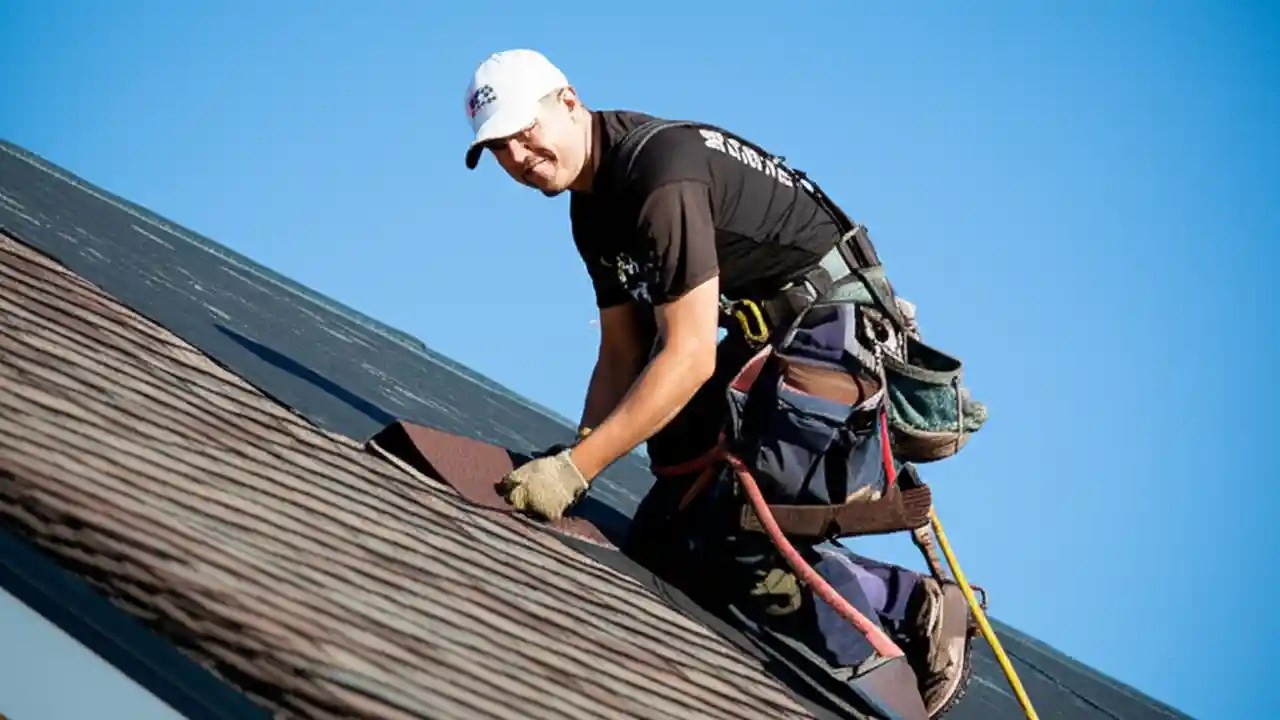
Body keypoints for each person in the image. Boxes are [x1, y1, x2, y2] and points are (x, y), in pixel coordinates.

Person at [463, 48, 972, 718]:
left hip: (830, 348)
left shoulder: (657, 173)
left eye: (523, 133)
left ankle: (917, 608)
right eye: (499, 149)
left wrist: (577, 470)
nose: (519, 157)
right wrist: (572, 463)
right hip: (767, 347)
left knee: (736, 539)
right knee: (665, 545)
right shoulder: (593, 210)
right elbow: (623, 351)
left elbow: (689, 357)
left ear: (567, 100)